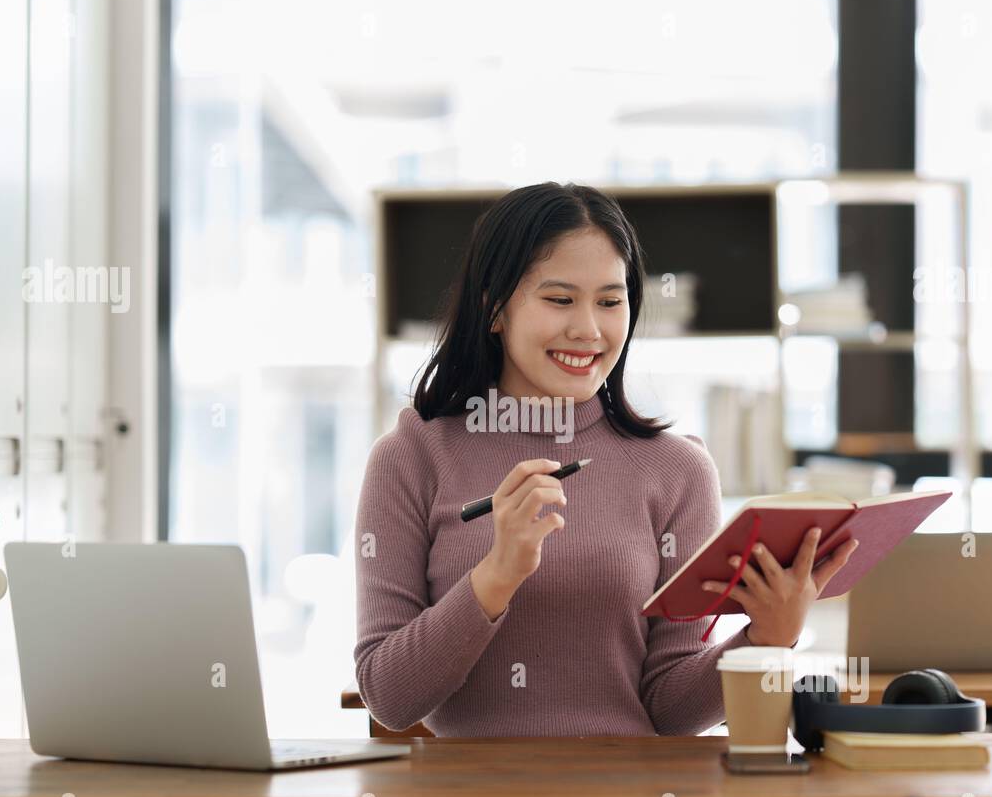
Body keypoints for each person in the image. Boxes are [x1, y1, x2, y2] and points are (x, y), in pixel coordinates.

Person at [353, 181, 858, 736]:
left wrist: (767, 638)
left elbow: (669, 708)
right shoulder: (412, 457)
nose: (589, 330)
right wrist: (497, 575)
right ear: (494, 309)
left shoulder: (677, 471)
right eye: (560, 299)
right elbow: (389, 697)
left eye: (611, 302)